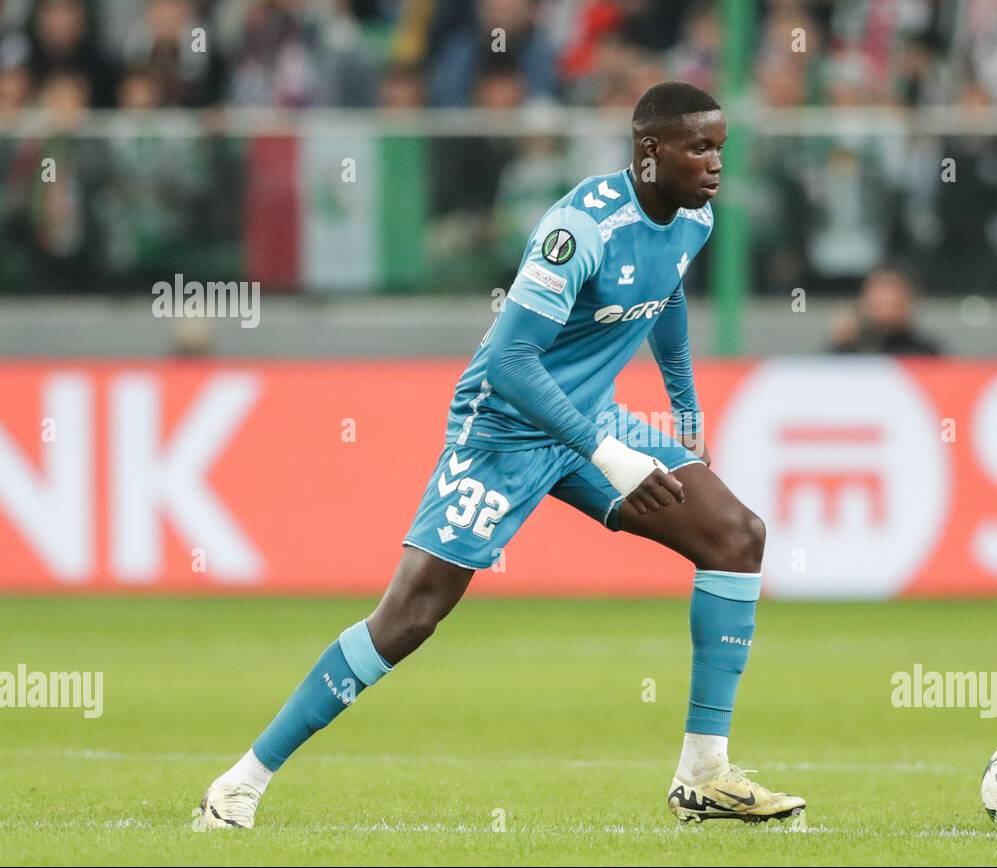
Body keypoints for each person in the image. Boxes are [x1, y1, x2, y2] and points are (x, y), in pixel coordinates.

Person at [195, 81, 806, 829]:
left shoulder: (695, 218)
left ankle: (703, 773)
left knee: (737, 536)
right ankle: (241, 781)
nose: (716, 164)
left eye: (720, 147)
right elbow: (513, 362)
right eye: (699, 147)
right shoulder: (579, 229)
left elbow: (666, 294)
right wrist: (605, 452)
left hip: (591, 422)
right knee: (410, 616)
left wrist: (684, 407)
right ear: (650, 153)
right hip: (505, 427)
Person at [830, 265, 941, 356]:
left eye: (893, 296)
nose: (886, 299)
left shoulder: (925, 353)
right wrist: (843, 346)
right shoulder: (851, 348)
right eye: (878, 298)